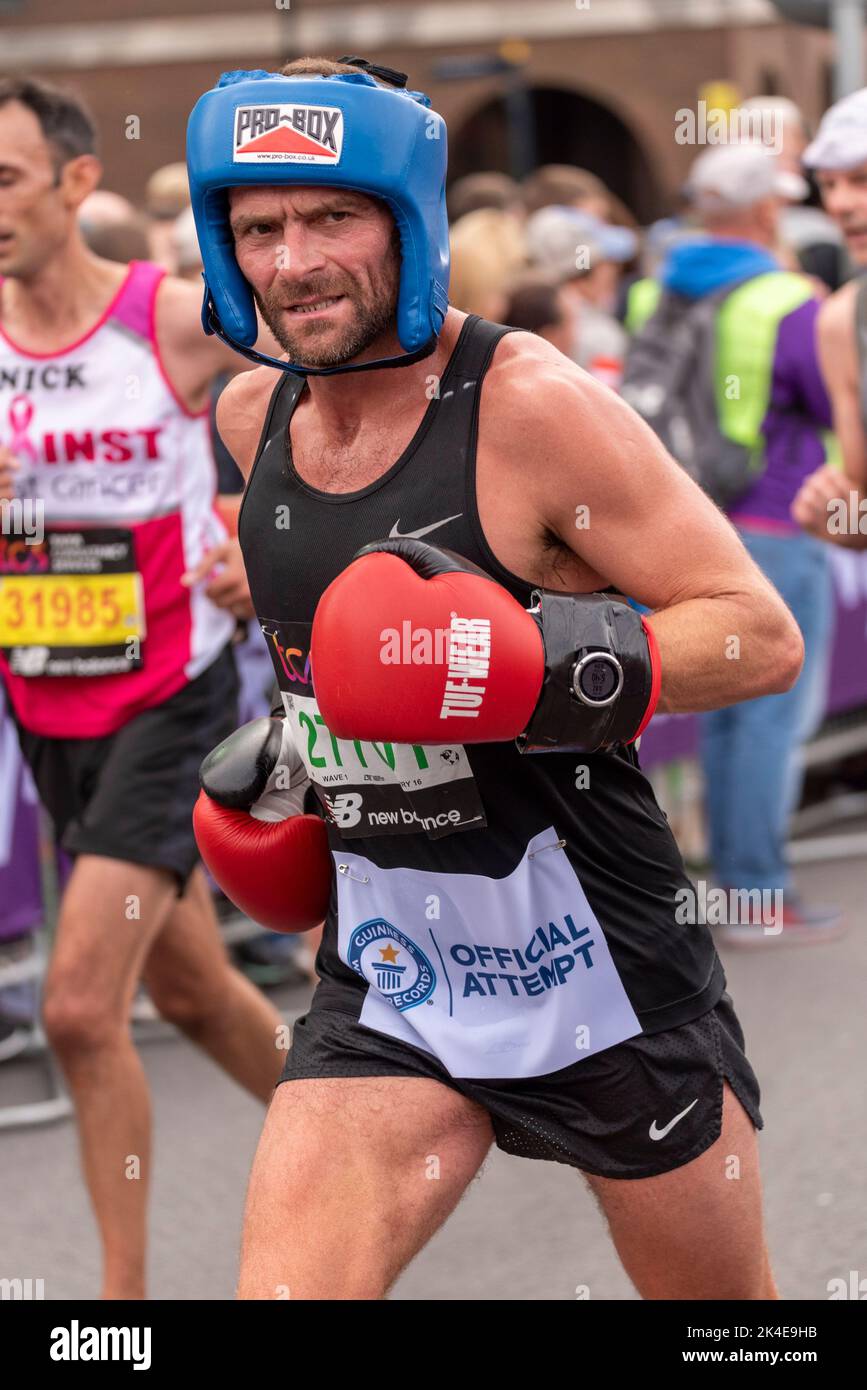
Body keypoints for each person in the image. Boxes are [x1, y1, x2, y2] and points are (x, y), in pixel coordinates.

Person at [190, 55, 803, 1301]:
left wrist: (518, 671)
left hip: (598, 964)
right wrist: (295, 766)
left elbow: (756, 633)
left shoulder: (527, 406)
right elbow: (349, 663)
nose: (293, 261)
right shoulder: (254, 420)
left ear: (408, 221)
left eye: (332, 216)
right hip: (390, 975)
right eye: (259, 228)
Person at [0, 75, 285, 1299]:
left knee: (75, 1008)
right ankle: (386, 1130)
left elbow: (331, 394)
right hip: (48, 694)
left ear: (74, 182)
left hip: (172, 696)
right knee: (191, 989)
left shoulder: (165, 317)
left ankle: (121, 1308)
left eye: (4, 179)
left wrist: (255, 538)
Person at [626, 143, 843, 942]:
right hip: (776, 523)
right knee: (770, 717)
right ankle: (756, 890)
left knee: (721, 712)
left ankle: (727, 890)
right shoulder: (789, 297)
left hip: (681, 527)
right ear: (763, 210)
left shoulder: (652, 289)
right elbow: (832, 399)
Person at [793, 88, 867, 550]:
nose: (839, 204)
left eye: (860, 179)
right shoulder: (841, 321)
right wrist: (837, 519)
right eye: (828, 184)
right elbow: (860, 511)